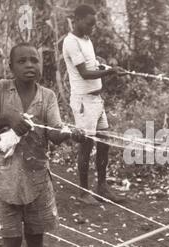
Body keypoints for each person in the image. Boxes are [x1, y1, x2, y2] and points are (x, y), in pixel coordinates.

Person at [0, 43, 85, 247]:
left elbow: (54, 132)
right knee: (11, 242)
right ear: (11, 67)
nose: (30, 65)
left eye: (34, 61)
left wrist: (70, 134)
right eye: (22, 61)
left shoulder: (47, 96)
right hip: (7, 181)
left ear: (41, 65)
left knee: (36, 239)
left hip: (38, 180)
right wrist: (5, 119)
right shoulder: (1, 90)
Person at [62, 4, 127, 205]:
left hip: (96, 100)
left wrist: (106, 67)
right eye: (89, 23)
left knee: (104, 143)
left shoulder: (87, 40)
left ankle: (102, 187)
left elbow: (92, 66)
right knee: (86, 145)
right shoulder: (71, 42)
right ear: (77, 19)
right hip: (83, 102)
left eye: (94, 24)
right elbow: (84, 73)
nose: (92, 28)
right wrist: (109, 72)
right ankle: (83, 192)